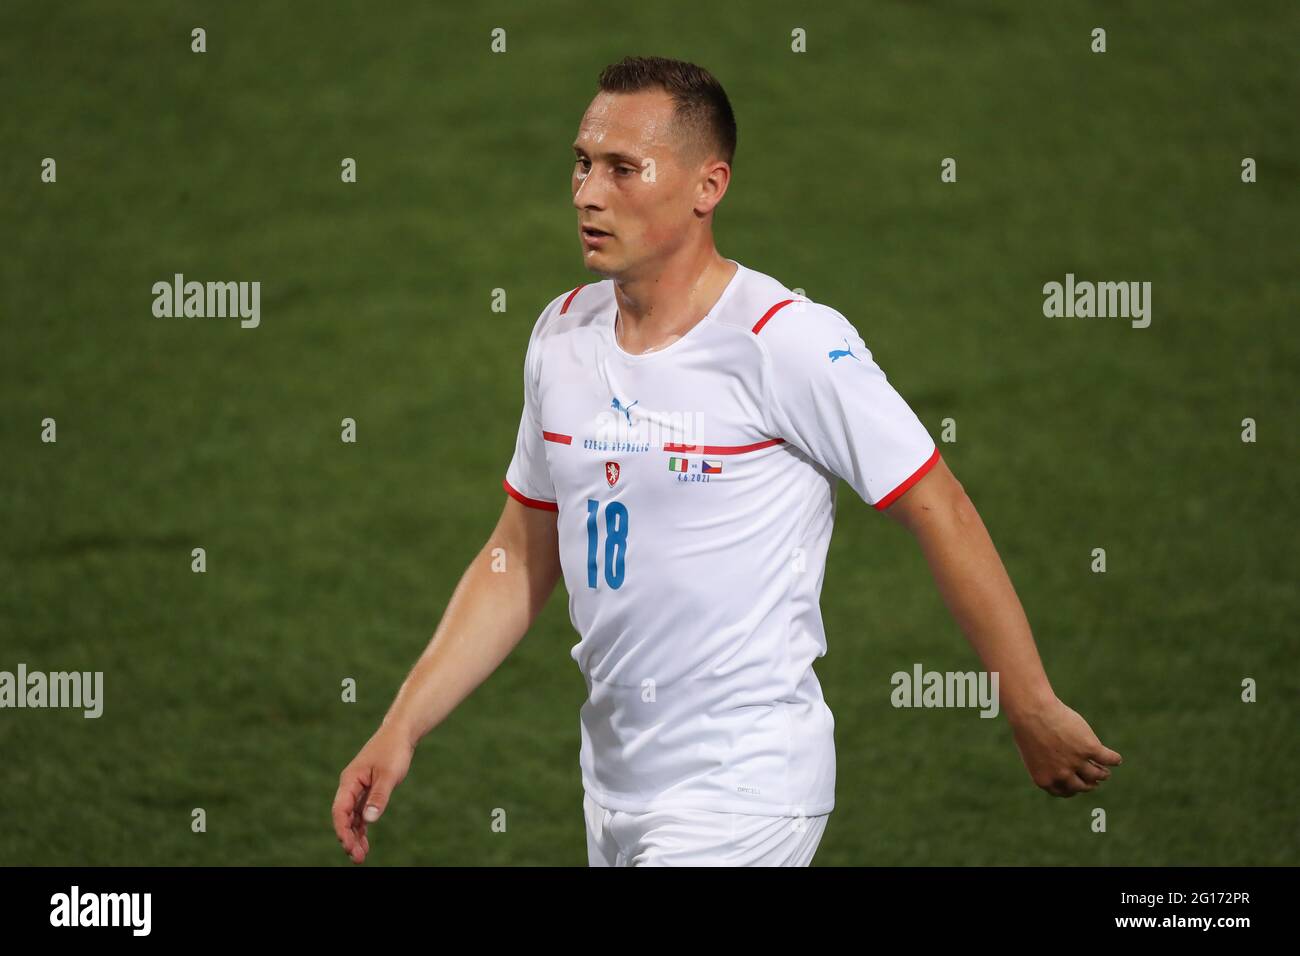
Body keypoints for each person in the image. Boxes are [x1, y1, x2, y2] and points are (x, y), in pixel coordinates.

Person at [332, 55, 1122, 867]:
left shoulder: (785, 342)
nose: (585, 193)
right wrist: (401, 725)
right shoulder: (560, 336)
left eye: (622, 169)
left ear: (708, 186)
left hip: (745, 787)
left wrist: (1028, 704)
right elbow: (521, 551)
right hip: (613, 788)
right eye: (581, 162)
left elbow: (938, 504)